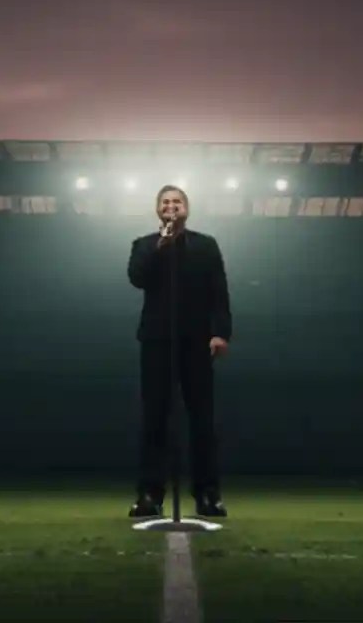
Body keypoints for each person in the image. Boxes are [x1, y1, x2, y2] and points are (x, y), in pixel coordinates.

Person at [126, 184, 231, 518]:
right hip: (157, 340)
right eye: (165, 202)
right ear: (158, 210)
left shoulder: (206, 245)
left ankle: (207, 494)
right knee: (154, 417)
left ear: (188, 208)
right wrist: (161, 246)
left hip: (197, 341)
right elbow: (137, 278)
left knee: (202, 419)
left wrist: (220, 333)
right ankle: (149, 494)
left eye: (177, 201)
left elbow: (219, 291)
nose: (171, 206)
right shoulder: (144, 244)